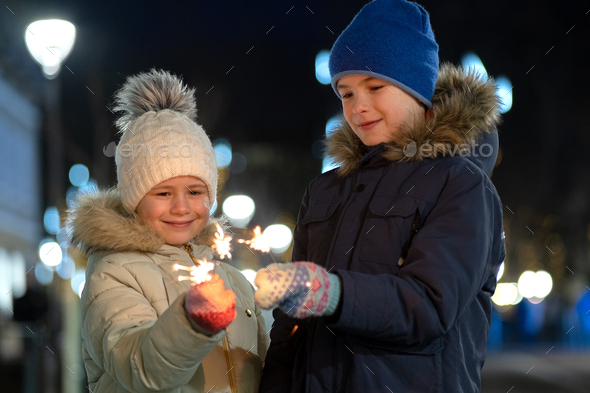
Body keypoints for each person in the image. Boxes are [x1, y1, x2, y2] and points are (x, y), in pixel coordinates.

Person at [254, 0, 505, 392]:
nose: (359, 107)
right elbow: (291, 329)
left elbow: (428, 306)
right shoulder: (324, 189)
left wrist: (330, 293)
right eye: (346, 93)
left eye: (375, 87)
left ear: (417, 89)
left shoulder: (461, 185)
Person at [67, 69, 269, 393]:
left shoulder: (233, 282)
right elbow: (141, 368)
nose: (181, 207)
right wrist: (192, 322)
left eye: (195, 191)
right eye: (163, 193)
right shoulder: (113, 274)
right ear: (134, 198)